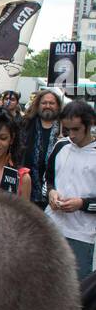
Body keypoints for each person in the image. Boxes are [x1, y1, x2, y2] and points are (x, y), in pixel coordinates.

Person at [47, 100, 96, 280]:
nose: (71, 135)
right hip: (52, 225)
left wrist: (82, 204)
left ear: (89, 124)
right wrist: (51, 193)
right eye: (67, 129)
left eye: (76, 129)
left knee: (76, 286)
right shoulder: (61, 146)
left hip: (82, 234)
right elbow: (48, 179)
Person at [22, 88, 64, 210]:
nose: (47, 106)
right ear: (38, 105)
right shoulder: (26, 124)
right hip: (28, 189)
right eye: (44, 103)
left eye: (51, 103)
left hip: (55, 193)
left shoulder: (64, 128)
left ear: (58, 106)